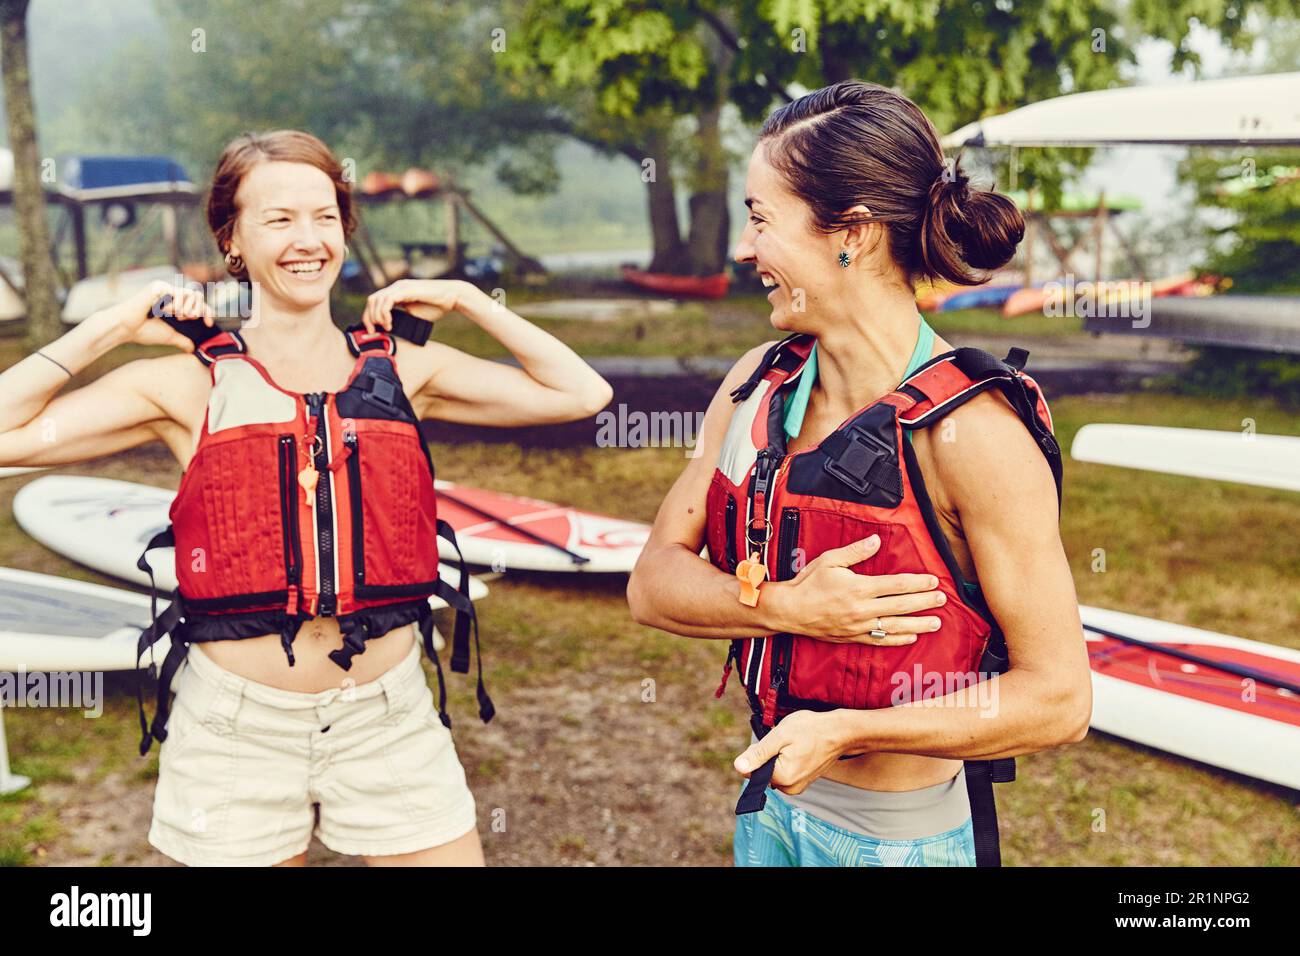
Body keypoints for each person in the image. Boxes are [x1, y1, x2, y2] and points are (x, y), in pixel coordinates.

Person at [0, 129, 612, 867]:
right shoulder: (187, 382)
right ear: (232, 238)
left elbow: (582, 392)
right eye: (279, 219)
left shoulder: (403, 368)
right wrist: (110, 326)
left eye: (324, 216)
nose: (308, 240)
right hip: (236, 731)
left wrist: (466, 301)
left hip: (387, 717)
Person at [627, 81, 1091, 867]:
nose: (744, 250)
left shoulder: (974, 434)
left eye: (760, 218)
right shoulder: (755, 386)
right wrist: (789, 607)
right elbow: (651, 584)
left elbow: (1060, 698)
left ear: (852, 234)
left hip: (901, 839)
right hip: (771, 809)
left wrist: (848, 728)